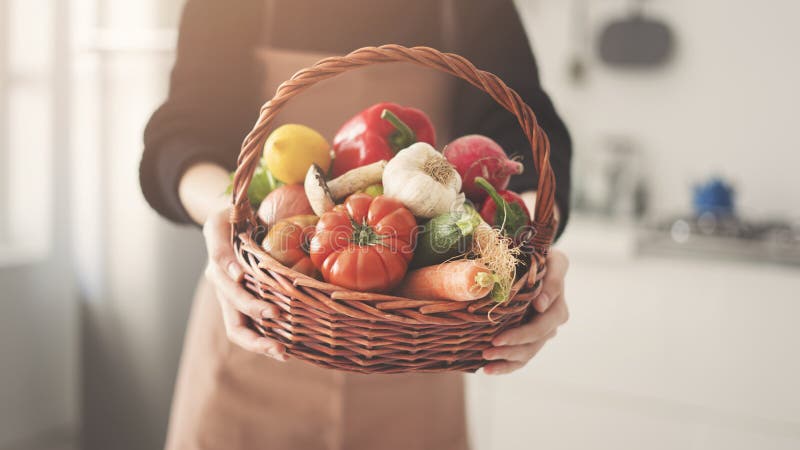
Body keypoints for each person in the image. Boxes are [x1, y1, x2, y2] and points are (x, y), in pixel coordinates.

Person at [140, 1, 572, 449]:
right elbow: (180, 132)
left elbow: (526, 128)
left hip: (415, 347)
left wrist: (528, 236)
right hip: (260, 322)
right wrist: (227, 213)